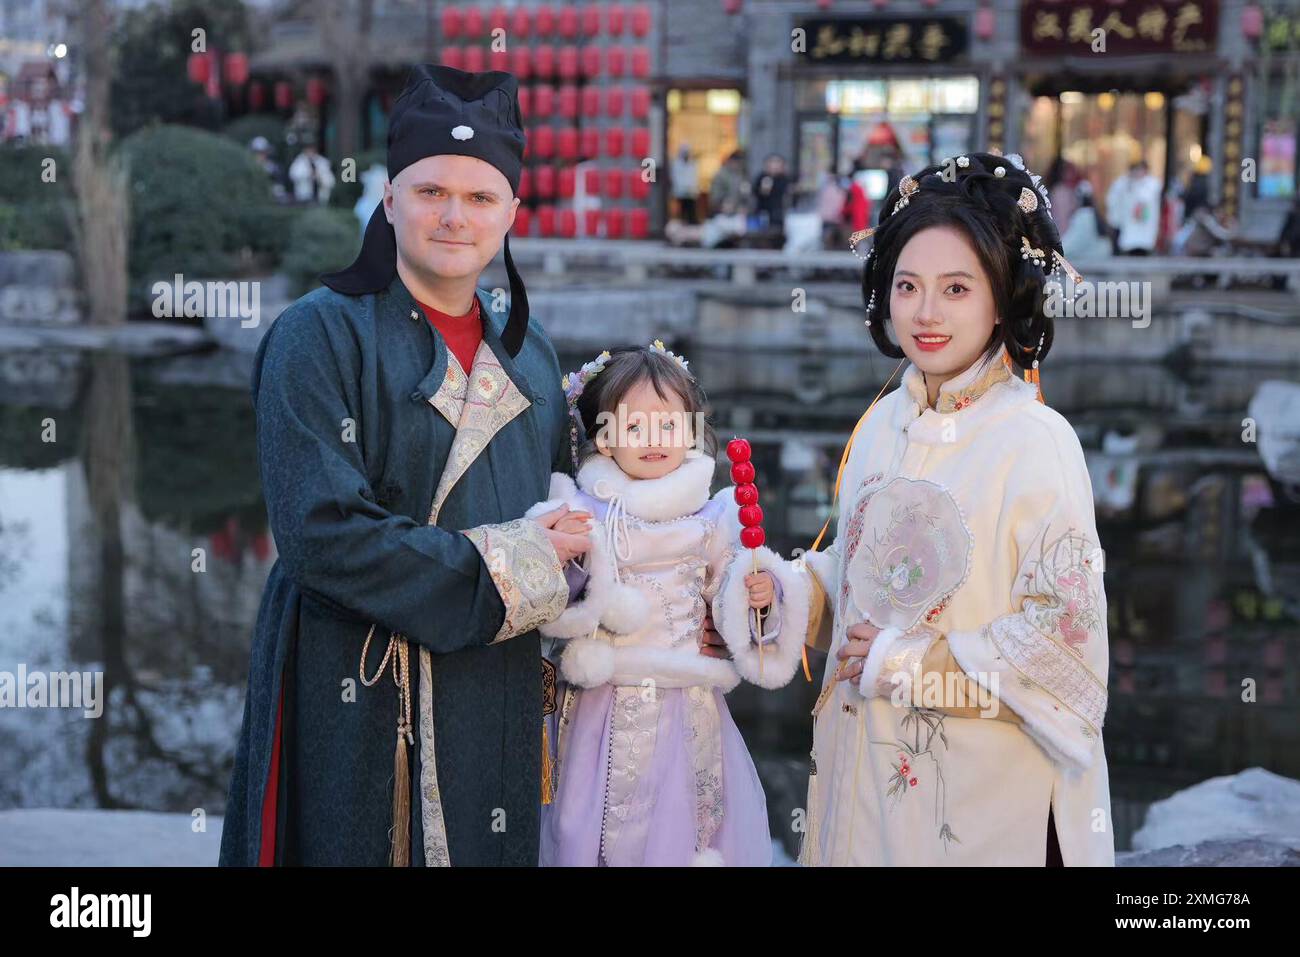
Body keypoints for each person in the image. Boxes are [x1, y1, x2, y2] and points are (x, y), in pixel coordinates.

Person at [219, 65, 593, 867]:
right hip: (354, 689)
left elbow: (573, 522)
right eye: (430, 192)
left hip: (493, 688)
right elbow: (323, 535)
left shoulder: (532, 357)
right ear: (389, 200)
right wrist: (519, 561)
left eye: (481, 197)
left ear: (511, 214)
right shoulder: (317, 337)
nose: (454, 216)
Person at [796, 151, 1114, 866]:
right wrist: (794, 593)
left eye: (956, 288)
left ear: (1002, 298)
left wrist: (907, 661)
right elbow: (866, 579)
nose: (927, 312)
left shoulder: (1035, 442)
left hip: (984, 808)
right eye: (907, 285)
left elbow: (1068, 654)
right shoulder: (883, 424)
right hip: (866, 786)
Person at [533, 344, 810, 865]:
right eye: (633, 427)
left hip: (684, 706)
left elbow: (731, 590)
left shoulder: (711, 518)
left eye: (669, 425)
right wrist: (565, 565)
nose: (654, 441)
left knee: (684, 827)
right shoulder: (578, 507)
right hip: (598, 703)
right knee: (582, 822)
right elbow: (552, 601)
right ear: (604, 438)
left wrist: (760, 597)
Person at [1105, 159, 1161, 255]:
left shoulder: (1152, 184)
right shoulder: (1123, 182)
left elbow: (1147, 199)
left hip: (1144, 225)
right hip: (1127, 224)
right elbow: (1114, 198)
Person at [1058, 180, 1112, 262]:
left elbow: (1075, 241)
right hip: (1099, 260)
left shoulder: (1084, 216)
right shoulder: (1093, 214)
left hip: (1091, 263)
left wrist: (1057, 251)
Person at [752, 152, 791, 229]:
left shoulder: (784, 179)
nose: (775, 166)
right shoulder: (762, 177)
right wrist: (763, 190)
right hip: (763, 213)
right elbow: (757, 193)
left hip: (780, 214)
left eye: (778, 163)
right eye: (773, 162)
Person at [708, 150, 748, 216]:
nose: (739, 165)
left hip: (737, 212)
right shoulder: (721, 174)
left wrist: (743, 205)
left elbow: (745, 193)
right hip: (722, 212)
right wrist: (723, 205)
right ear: (731, 161)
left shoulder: (741, 175)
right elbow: (715, 195)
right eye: (737, 162)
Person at [249, 135, 288, 203]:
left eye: (263, 152)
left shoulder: (274, 167)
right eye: (258, 153)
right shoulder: (249, 166)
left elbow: (279, 185)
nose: (261, 156)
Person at [670, 144, 700, 224]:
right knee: (682, 211)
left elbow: (694, 177)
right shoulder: (676, 164)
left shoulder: (692, 163)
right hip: (681, 192)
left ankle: (691, 224)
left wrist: (694, 188)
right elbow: (676, 177)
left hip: (691, 192)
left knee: (691, 211)